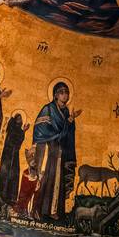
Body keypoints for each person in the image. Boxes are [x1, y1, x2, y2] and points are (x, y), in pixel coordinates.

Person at [32, 82, 80, 220]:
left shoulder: (66, 112)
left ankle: (54, 210)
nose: (65, 95)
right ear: (55, 95)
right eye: (62, 92)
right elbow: (40, 130)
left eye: (67, 92)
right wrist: (62, 129)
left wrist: (70, 121)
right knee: (46, 178)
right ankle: (38, 209)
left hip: (61, 153)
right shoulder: (48, 109)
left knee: (58, 180)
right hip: (49, 151)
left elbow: (69, 134)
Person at [0, 112, 28, 208]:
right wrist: (23, 131)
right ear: (14, 120)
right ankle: (3, 195)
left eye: (21, 119)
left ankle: (10, 197)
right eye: (19, 119)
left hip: (14, 156)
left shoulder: (16, 129)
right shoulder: (12, 129)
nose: (21, 121)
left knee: (13, 175)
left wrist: (23, 131)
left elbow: (18, 143)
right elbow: (15, 141)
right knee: (6, 174)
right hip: (9, 156)